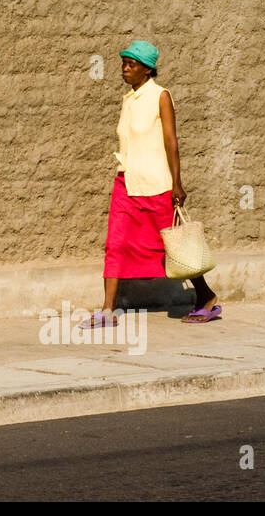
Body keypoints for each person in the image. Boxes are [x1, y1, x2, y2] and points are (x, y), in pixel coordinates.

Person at [83, 40, 220, 327]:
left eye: (131, 64)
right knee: (115, 244)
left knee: (174, 247)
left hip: (157, 186)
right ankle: (108, 309)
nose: (125, 69)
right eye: (123, 63)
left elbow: (172, 142)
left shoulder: (161, 96)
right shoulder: (128, 99)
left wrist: (177, 184)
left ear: (147, 70)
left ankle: (206, 296)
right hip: (126, 182)